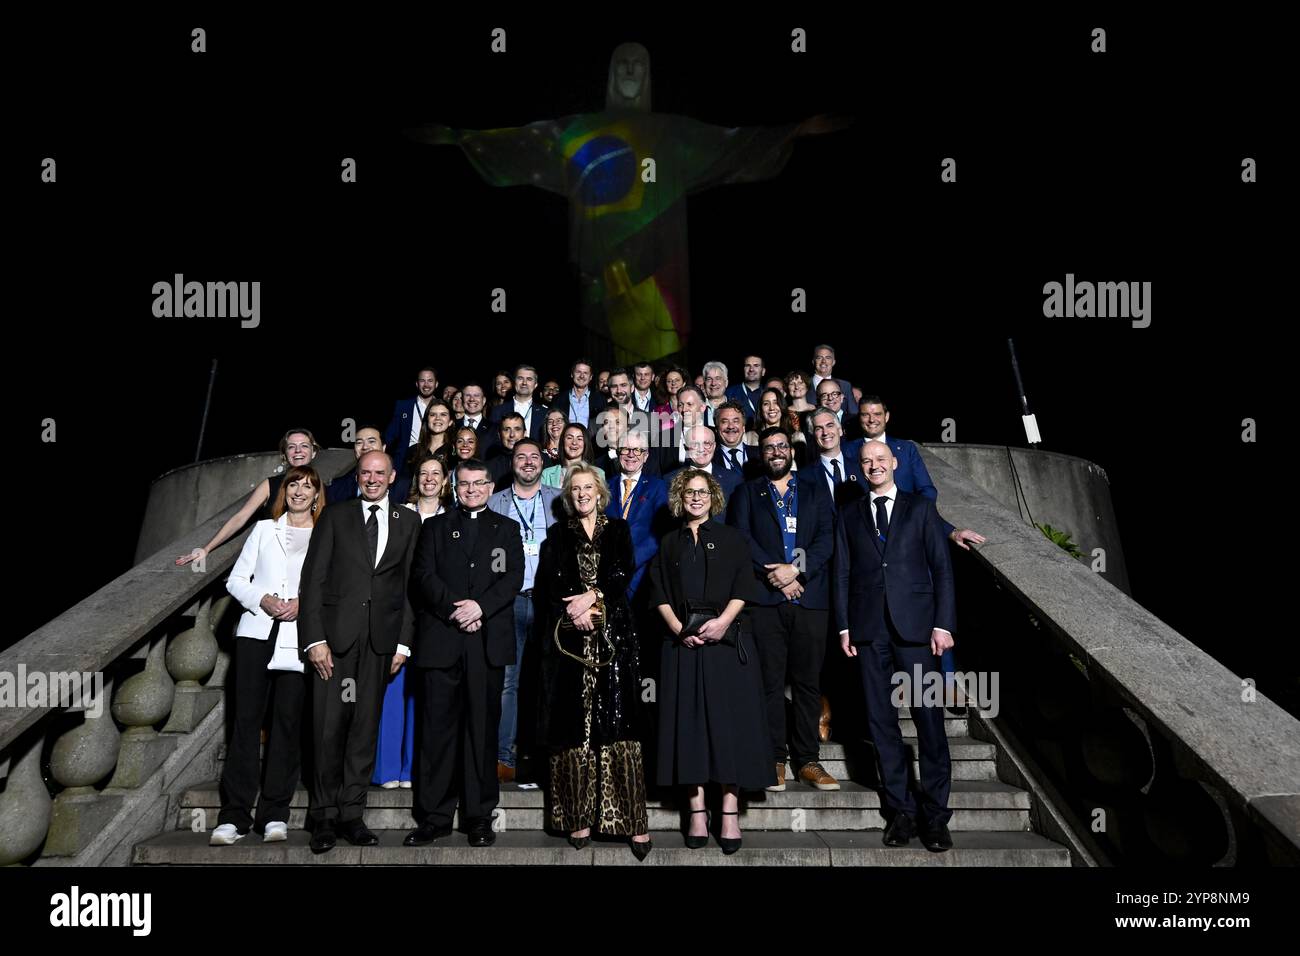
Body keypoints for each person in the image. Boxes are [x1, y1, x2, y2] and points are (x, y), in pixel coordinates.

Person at [835, 440, 956, 851]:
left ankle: (936, 816)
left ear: (894, 463)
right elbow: (843, 573)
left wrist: (943, 625)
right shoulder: (849, 514)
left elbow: (942, 570)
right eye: (866, 461)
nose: (873, 466)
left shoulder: (920, 509)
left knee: (929, 721)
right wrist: (844, 628)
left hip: (917, 631)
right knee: (881, 724)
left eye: (880, 460)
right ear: (860, 467)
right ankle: (901, 811)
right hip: (870, 633)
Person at [298, 450, 421, 854]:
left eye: (379, 473)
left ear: (392, 475)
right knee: (328, 729)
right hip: (334, 644)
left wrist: (403, 642)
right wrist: (314, 640)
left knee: (364, 730)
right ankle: (323, 817)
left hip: (379, 644)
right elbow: (313, 580)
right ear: (358, 476)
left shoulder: (408, 520)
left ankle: (352, 814)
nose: (371, 479)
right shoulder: (336, 516)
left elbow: (409, 587)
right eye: (365, 472)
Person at [647, 469, 770, 852]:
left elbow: (743, 587)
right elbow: (659, 593)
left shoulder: (732, 538)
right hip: (683, 647)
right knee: (690, 728)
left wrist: (721, 624)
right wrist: (679, 629)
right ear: (679, 498)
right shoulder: (668, 542)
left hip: (726, 645)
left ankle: (729, 810)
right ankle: (697, 810)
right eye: (689, 492)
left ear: (712, 497)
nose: (695, 498)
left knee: (728, 727)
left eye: (702, 492)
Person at [405, 459, 524, 848]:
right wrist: (457, 609)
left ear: (491, 487)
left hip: (485, 643)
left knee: (481, 733)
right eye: (464, 484)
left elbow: (511, 578)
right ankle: (433, 817)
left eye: (478, 483)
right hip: (442, 639)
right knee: (436, 732)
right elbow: (423, 576)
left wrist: (481, 608)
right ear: (454, 488)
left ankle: (478, 817)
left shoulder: (506, 529)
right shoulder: (435, 528)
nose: (471, 490)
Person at [536, 462, 652, 859]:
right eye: (576, 489)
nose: (583, 493)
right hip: (569, 639)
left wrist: (594, 596)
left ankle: (631, 822)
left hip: (614, 637)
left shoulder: (617, 529)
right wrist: (577, 609)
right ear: (568, 495)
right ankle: (578, 818)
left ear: (600, 493)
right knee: (575, 728)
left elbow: (623, 572)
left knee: (618, 723)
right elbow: (550, 582)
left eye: (589, 487)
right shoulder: (557, 534)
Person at [211, 465, 323, 845]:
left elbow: (330, 585)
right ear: (285, 491)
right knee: (245, 723)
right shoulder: (263, 530)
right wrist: (264, 599)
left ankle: (274, 813)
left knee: (287, 725)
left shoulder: (326, 534)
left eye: (308, 486)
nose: (299, 491)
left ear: (317, 495)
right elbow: (236, 580)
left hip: (298, 637)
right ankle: (234, 816)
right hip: (256, 633)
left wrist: (303, 604)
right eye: (293, 484)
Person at [727, 427, 840, 793]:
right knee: (770, 683)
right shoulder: (747, 493)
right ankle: (774, 757)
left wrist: (797, 570)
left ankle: (807, 759)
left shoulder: (815, 489)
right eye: (768, 448)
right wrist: (776, 574)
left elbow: (827, 538)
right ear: (761, 455)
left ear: (791, 451)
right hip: (766, 600)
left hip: (809, 599)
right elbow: (742, 538)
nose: (775, 452)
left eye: (781, 446)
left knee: (808, 684)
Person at [372, 459, 451, 791]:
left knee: (424, 695)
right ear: (416, 479)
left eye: (436, 474)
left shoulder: (452, 517)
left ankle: (414, 769)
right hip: (398, 609)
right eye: (424, 473)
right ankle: (387, 768)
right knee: (393, 687)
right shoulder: (398, 513)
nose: (430, 479)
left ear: (445, 481)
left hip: (435, 616)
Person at [487, 438, 561, 781]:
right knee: (508, 682)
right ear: (512, 463)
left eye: (534, 457)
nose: (528, 462)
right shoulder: (495, 502)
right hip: (509, 602)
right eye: (521, 457)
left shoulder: (559, 500)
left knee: (547, 681)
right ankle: (504, 758)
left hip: (548, 603)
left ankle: (542, 759)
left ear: (543, 463)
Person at [175, 428, 321, 567]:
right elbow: (240, 517)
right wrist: (207, 549)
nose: (298, 451)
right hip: (272, 562)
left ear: (313, 452)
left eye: (304, 446)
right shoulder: (270, 485)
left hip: (307, 561)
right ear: (284, 454)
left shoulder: (323, 488)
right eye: (291, 447)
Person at [606, 429, 670, 600]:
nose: (631, 455)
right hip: (608, 576)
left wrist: (628, 562)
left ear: (646, 456)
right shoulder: (605, 486)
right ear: (618, 453)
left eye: (637, 450)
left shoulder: (658, 487)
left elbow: (659, 532)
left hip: (643, 577)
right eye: (625, 449)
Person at [327, 426, 410, 505]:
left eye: (371, 441)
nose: (365, 447)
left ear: (383, 447)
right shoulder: (337, 487)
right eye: (359, 442)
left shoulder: (404, 486)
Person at [666, 423, 740, 510]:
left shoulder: (733, 480)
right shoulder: (669, 480)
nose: (701, 449)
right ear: (686, 447)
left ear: (714, 446)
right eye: (694, 444)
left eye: (706, 443)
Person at [383, 367, 440, 451]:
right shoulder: (403, 406)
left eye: (430, 381)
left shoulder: (442, 407)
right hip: (408, 457)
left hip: (435, 453)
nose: (426, 385)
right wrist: (382, 444)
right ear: (417, 384)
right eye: (422, 381)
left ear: (436, 384)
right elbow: (391, 432)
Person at [489, 364, 548, 441]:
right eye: (520, 378)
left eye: (529, 379)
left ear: (535, 385)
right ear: (514, 382)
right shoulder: (497, 411)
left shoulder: (545, 413)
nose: (524, 383)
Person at [550, 358, 606, 431]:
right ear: (572, 374)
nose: (582, 376)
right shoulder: (558, 399)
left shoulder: (600, 399)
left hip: (591, 441)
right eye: (578, 372)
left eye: (585, 373)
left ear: (591, 377)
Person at [713, 401, 759, 481]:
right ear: (716, 429)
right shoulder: (710, 458)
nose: (731, 426)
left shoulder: (759, 454)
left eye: (736, 421)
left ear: (743, 428)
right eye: (724, 421)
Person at [541, 423, 594, 489]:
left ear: (585, 443)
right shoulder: (547, 474)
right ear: (563, 442)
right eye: (569, 438)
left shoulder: (597, 473)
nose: (574, 442)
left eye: (579, 439)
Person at [811, 344, 858, 415]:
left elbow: (854, 413)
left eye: (828, 358)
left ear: (833, 362)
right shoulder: (802, 385)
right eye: (819, 358)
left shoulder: (845, 386)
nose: (823, 361)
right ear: (813, 362)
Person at [486, 411, 526, 487]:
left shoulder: (539, 460)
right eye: (507, 429)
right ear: (499, 434)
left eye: (517, 429)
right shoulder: (489, 467)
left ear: (524, 433)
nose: (512, 435)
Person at [725, 355, 766, 425]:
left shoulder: (767, 393)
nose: (751, 369)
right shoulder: (730, 392)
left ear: (763, 371)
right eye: (748, 365)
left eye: (756, 365)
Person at [456, 382, 493, 449]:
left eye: (476, 395)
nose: (472, 399)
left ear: (484, 400)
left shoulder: (494, 428)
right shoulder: (453, 426)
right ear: (462, 400)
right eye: (467, 395)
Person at [653, 365, 688, 430]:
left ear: (684, 383)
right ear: (665, 385)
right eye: (669, 381)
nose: (673, 383)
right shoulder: (658, 410)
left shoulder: (692, 406)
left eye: (677, 380)